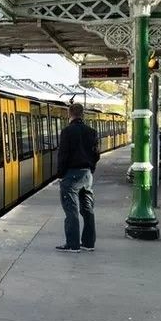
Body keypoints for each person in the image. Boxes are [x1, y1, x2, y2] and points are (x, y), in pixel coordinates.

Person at [56, 103, 100, 253]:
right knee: (88, 209)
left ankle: (73, 244)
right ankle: (88, 243)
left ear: (70, 114)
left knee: (71, 210)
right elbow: (96, 154)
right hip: (87, 175)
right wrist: (91, 168)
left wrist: (61, 175)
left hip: (71, 175)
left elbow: (63, 155)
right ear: (83, 114)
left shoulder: (67, 132)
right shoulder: (92, 132)